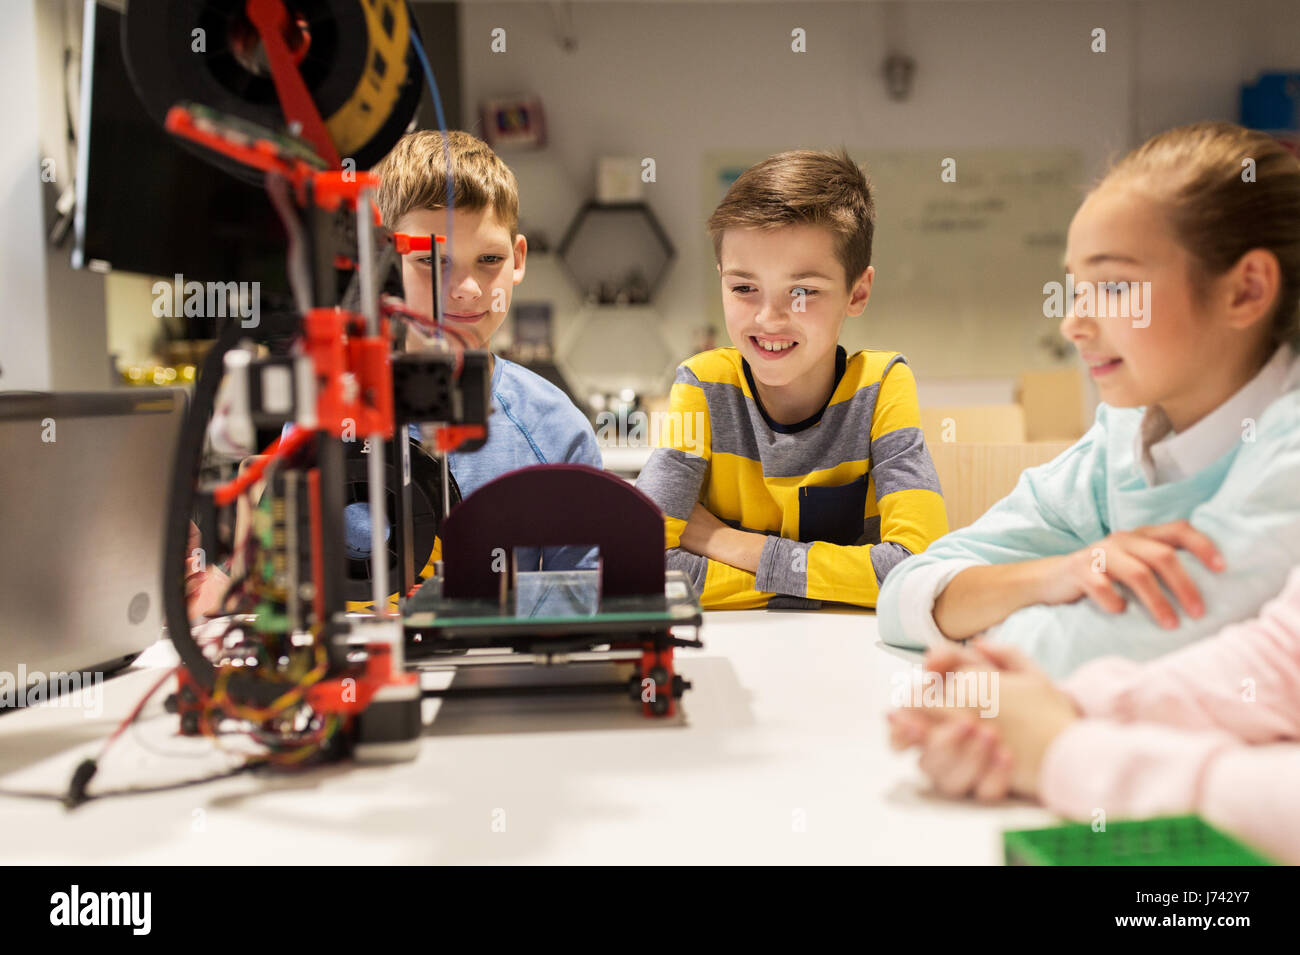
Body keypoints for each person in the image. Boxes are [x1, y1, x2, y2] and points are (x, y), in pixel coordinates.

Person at [878, 122, 1300, 676]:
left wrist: (991, 614)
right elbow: (904, 597)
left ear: (1245, 291)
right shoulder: (1124, 438)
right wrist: (1054, 575)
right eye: (1076, 288)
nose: (1073, 324)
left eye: (1116, 286)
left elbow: (1111, 646)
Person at [636, 149, 948, 609]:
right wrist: (836, 581)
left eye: (802, 291)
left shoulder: (880, 385)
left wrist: (724, 541)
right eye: (744, 288)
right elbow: (639, 565)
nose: (769, 318)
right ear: (721, 279)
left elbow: (918, 571)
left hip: (852, 657)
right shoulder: (702, 385)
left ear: (857, 292)